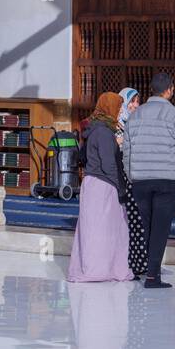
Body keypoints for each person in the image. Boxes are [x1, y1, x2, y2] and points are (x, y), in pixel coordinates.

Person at [122, 70, 175, 290]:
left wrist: (132, 175)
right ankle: (153, 276)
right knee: (160, 228)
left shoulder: (135, 115)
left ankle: (151, 272)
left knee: (148, 226)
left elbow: (127, 151)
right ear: (170, 90)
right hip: (168, 180)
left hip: (141, 180)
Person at [68, 92, 133, 283]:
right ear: (110, 107)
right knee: (106, 230)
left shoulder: (95, 128)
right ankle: (100, 270)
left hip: (93, 183)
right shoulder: (104, 132)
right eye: (118, 107)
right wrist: (120, 187)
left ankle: (93, 267)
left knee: (93, 228)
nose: (120, 110)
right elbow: (108, 164)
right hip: (104, 185)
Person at [116, 86, 148, 279]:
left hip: (137, 178)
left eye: (137, 101)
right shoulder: (115, 125)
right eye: (132, 101)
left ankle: (138, 264)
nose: (136, 105)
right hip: (121, 179)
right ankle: (123, 262)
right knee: (122, 222)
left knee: (137, 222)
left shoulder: (137, 124)